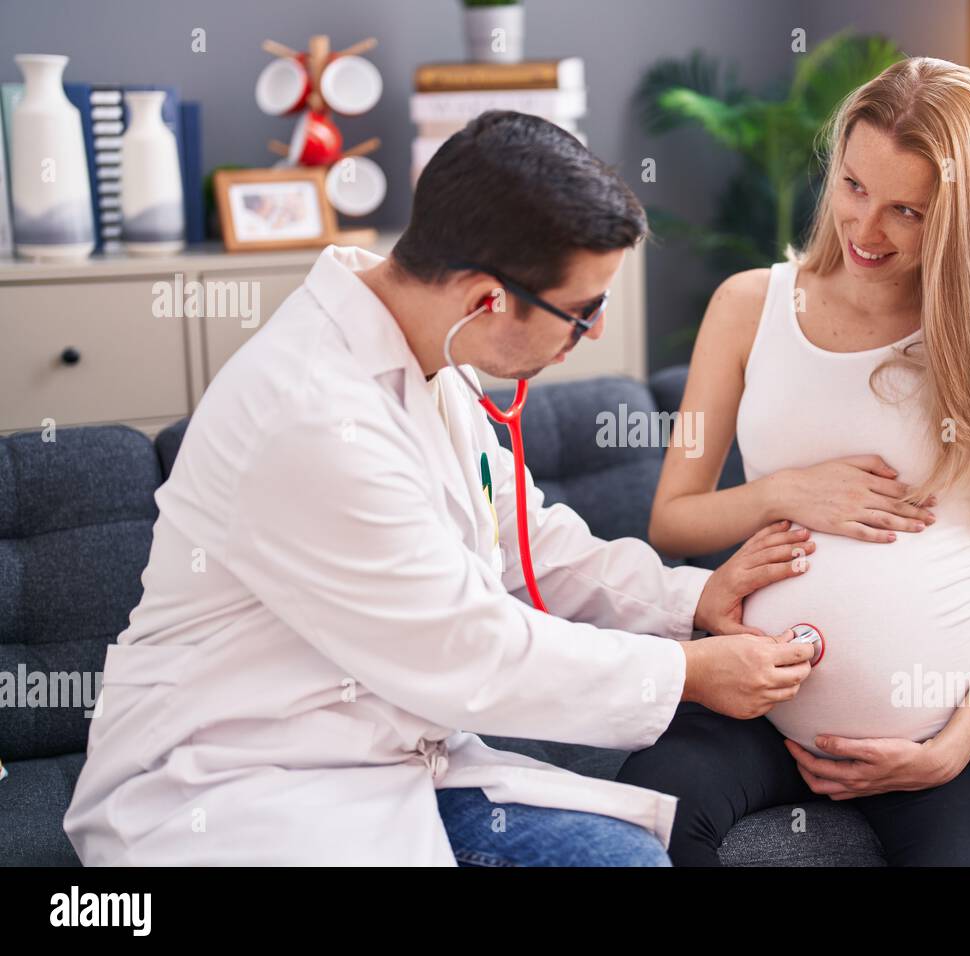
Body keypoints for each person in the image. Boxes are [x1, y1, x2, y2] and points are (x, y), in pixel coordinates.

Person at [63, 109, 907, 866]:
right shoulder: (312, 420)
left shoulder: (429, 356)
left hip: (391, 761)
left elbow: (530, 544)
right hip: (239, 781)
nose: (597, 332)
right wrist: (687, 671)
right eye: (582, 311)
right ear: (486, 299)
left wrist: (695, 600)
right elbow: (468, 649)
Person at [615, 58, 970, 866]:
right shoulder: (746, 307)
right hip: (757, 702)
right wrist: (787, 492)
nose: (867, 231)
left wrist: (953, 747)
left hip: (948, 725)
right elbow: (672, 518)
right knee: (637, 826)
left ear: (966, 217)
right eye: (855, 187)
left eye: (908, 210)